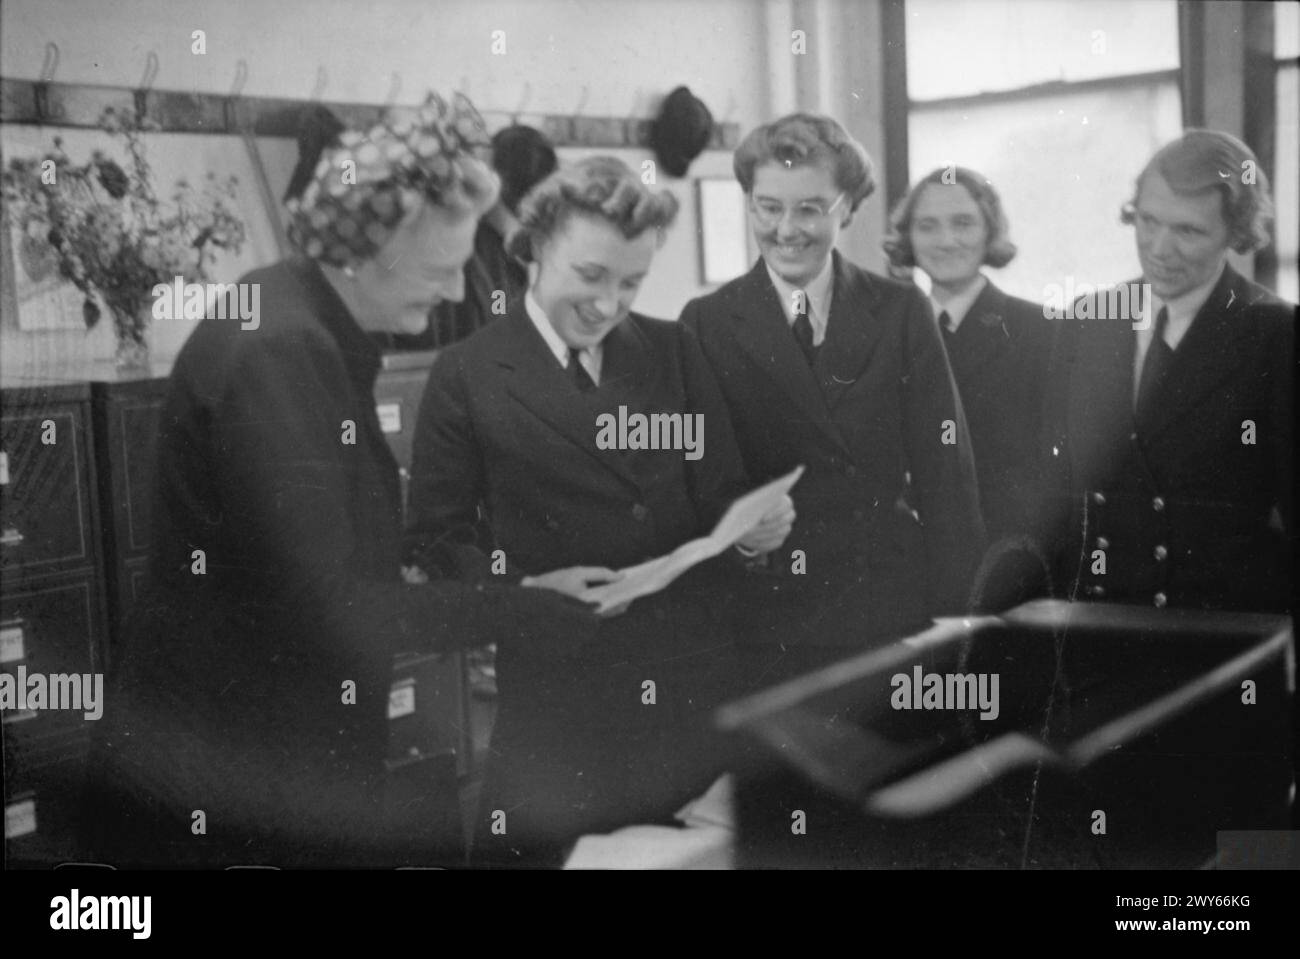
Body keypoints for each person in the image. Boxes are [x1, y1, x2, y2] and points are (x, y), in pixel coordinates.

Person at [83, 95, 600, 869]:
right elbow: (334, 608)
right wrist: (522, 611)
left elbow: (331, 550)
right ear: (366, 250)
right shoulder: (284, 352)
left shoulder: (300, 315)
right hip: (226, 766)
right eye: (441, 268)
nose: (457, 295)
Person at [406, 155, 794, 866]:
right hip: (561, 701)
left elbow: (721, 496)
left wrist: (752, 534)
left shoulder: (676, 349)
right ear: (535, 249)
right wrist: (522, 592)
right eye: (590, 276)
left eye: (631, 281)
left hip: (688, 687)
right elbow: (437, 537)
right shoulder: (466, 373)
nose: (609, 303)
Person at [679, 113, 985, 683]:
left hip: (886, 605)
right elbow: (701, 483)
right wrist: (741, 536)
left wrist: (959, 618)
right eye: (768, 207)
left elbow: (947, 475)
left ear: (847, 207)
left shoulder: (900, 311)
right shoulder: (706, 323)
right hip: (768, 612)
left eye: (810, 208)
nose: (786, 229)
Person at [1031, 129, 1293, 613]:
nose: (1159, 248)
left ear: (1236, 233)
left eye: (1188, 231)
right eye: (1147, 221)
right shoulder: (1090, 318)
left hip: (1220, 632)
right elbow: (1053, 489)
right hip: (1096, 624)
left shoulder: (1275, 332)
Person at [884, 167, 1055, 544]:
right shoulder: (886, 334)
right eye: (927, 226)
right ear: (908, 237)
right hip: (907, 556)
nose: (946, 241)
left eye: (963, 223)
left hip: (1002, 554)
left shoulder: (1041, 329)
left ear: (989, 232)